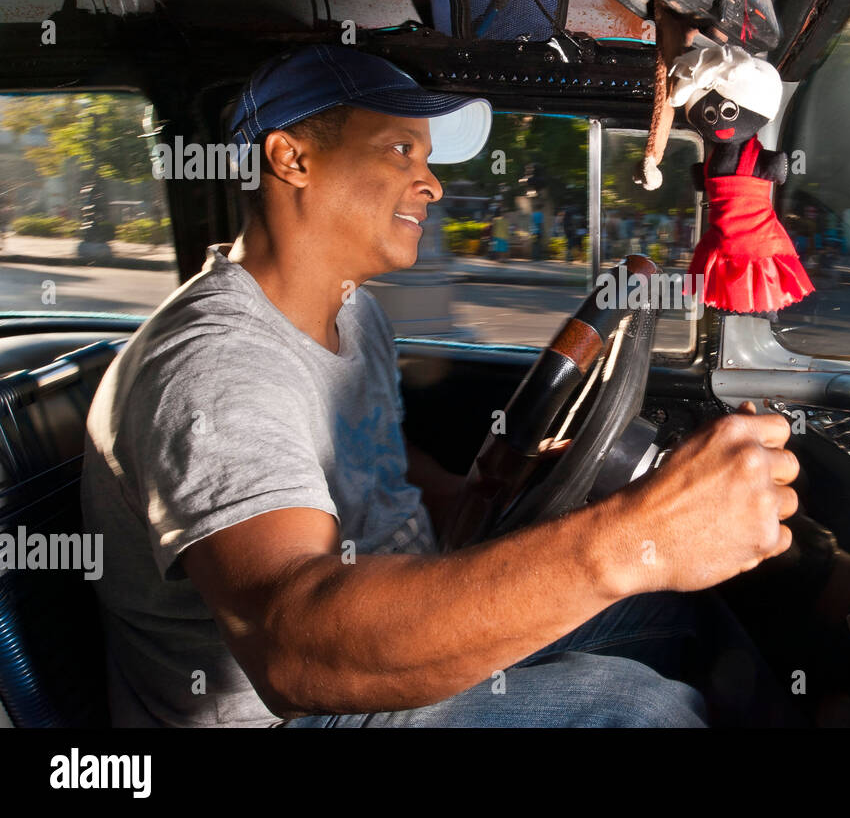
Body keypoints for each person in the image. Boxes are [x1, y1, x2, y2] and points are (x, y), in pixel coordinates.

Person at [80, 45, 799, 728]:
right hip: (298, 709)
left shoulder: (350, 311)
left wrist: (484, 490)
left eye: (426, 158)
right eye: (401, 150)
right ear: (290, 157)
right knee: (638, 711)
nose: (431, 183)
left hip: (376, 634)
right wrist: (635, 536)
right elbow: (293, 646)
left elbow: (367, 471)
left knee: (680, 612)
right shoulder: (215, 367)